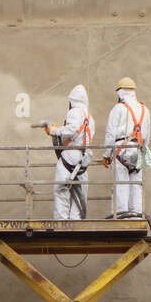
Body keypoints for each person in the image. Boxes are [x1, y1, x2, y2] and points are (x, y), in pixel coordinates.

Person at [102, 76, 151, 218]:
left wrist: (106, 155)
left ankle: (121, 217)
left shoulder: (118, 109)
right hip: (138, 149)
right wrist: (142, 151)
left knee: (121, 185)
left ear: (120, 92)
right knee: (136, 185)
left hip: (120, 149)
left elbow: (110, 133)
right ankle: (136, 216)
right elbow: (147, 135)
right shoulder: (145, 110)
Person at [44, 84, 94, 220]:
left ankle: (61, 221)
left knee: (61, 190)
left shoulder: (74, 112)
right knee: (79, 194)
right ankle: (75, 221)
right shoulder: (90, 118)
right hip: (83, 161)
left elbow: (72, 130)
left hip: (69, 157)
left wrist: (54, 131)